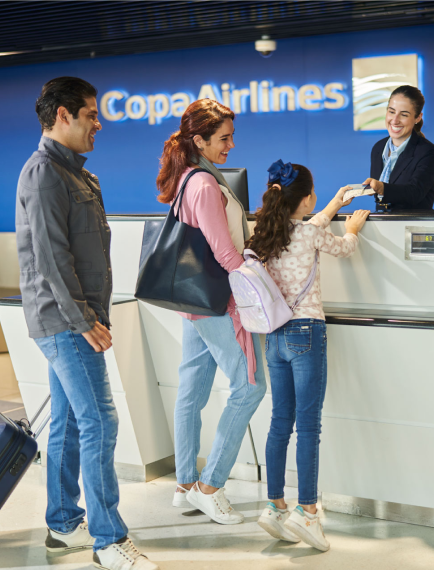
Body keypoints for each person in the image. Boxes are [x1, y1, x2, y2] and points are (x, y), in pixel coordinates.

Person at [15, 77, 158, 570]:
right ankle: (108, 540)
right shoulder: (43, 174)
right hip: (66, 321)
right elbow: (52, 258)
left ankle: (61, 522)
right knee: (100, 420)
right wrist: (83, 320)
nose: (99, 124)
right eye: (91, 115)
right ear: (63, 116)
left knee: (73, 420)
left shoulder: (77, 174)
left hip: (74, 317)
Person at [247, 160, 369, 551]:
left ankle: (275, 505)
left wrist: (335, 203)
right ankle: (308, 511)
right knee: (309, 427)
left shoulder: (265, 234)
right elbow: (343, 248)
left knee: (280, 422)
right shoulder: (309, 234)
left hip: (275, 336)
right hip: (307, 333)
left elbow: (308, 226)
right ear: (305, 199)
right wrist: (351, 229)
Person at [156, 99, 267, 524]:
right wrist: (256, 289)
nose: (231, 145)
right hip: (219, 305)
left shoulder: (188, 178)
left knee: (191, 392)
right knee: (250, 387)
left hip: (196, 305)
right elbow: (225, 253)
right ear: (199, 141)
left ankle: (185, 485)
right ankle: (211, 486)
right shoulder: (204, 183)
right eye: (224, 138)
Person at [364, 85, 434, 210]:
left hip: (413, 221)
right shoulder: (378, 148)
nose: (395, 120)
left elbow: (415, 193)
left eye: (404, 115)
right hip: (382, 220)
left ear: (417, 118)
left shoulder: (428, 152)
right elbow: (380, 199)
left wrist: (382, 188)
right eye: (391, 112)